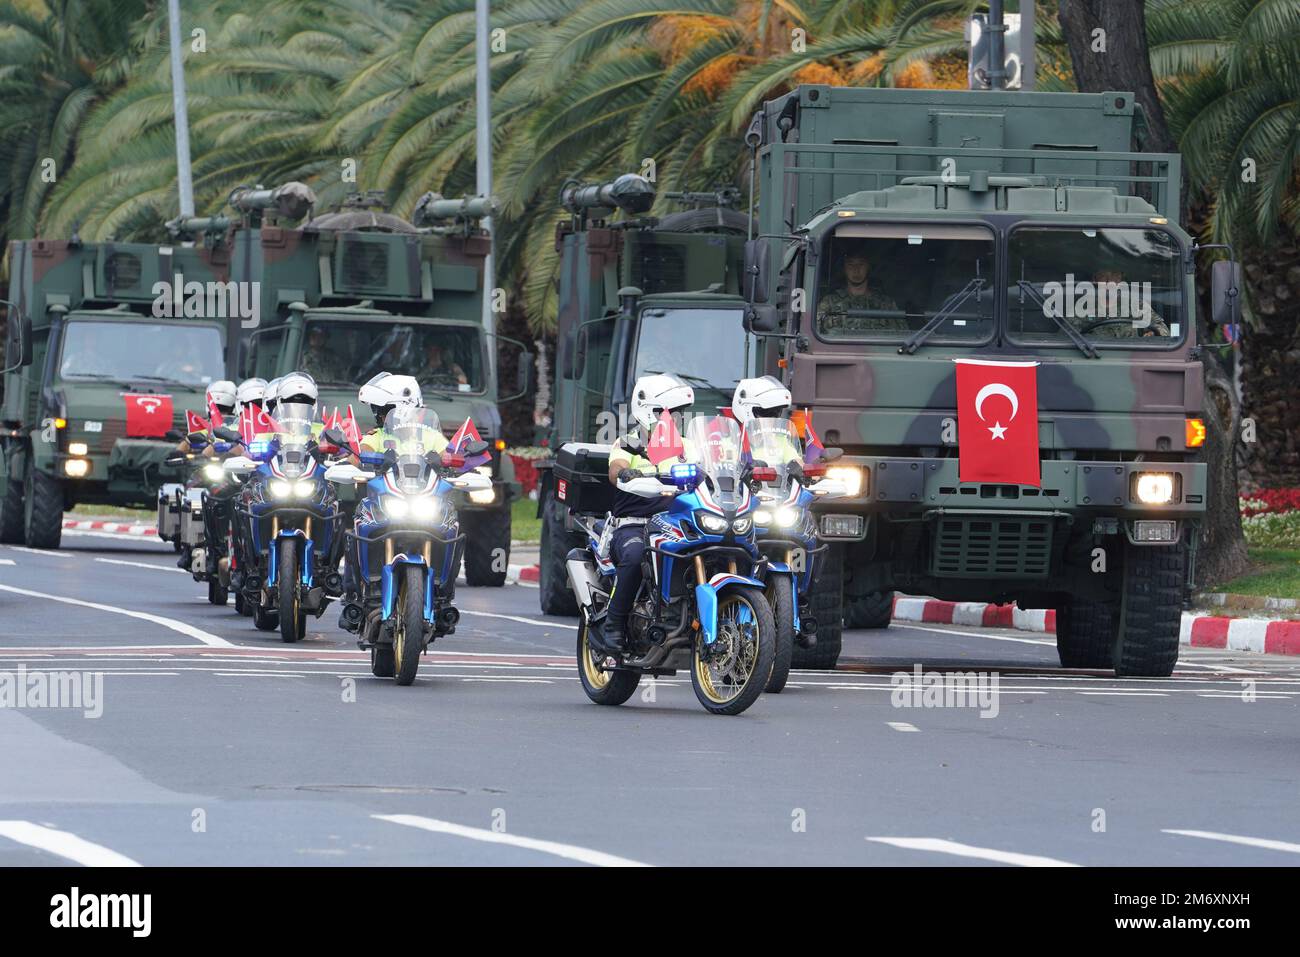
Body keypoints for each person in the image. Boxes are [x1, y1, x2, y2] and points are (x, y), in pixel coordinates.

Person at [593, 373, 695, 653]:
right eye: (671, 413)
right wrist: (626, 471)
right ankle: (613, 623)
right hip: (634, 525)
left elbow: (713, 466)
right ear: (650, 412)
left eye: (678, 414)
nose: (676, 419)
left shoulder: (688, 446)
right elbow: (615, 470)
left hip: (677, 522)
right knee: (637, 554)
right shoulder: (628, 442)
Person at [817, 241, 906, 334]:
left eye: (861, 264)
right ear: (844, 268)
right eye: (851, 264)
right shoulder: (829, 303)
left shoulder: (886, 304)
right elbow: (814, 333)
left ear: (868, 267)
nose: (856, 269)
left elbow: (902, 335)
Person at [731, 375, 802, 467]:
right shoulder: (731, 442)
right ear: (745, 410)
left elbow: (799, 465)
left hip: (778, 481)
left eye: (776, 413)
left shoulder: (780, 442)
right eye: (765, 413)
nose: (771, 419)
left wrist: (811, 472)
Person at [1088, 269, 1171, 339]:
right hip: (1093, 354)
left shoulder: (1136, 305)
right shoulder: (1083, 308)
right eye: (1103, 276)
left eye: (1115, 276)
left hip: (1133, 354)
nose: (1110, 282)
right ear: (1095, 280)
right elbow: (1076, 336)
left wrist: (1152, 334)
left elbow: (1162, 330)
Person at [176, 380, 237, 456]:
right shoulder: (204, 427)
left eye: (225, 409)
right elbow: (190, 440)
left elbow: (242, 446)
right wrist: (179, 452)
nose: (219, 414)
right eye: (214, 408)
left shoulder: (239, 427)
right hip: (206, 465)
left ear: (234, 408)